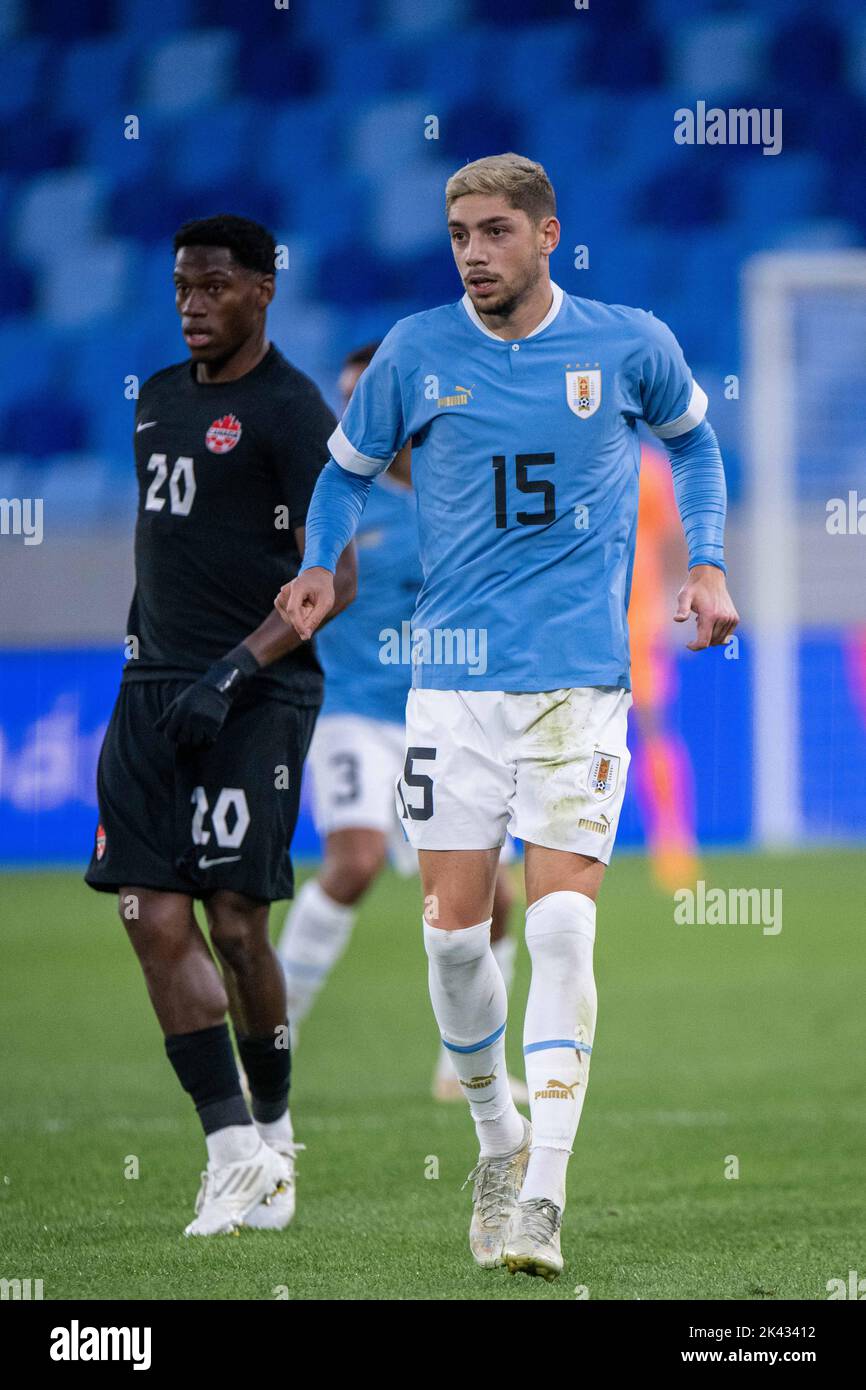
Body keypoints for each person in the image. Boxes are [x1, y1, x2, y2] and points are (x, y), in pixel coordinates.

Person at [276, 154, 738, 1281]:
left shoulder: (627, 343)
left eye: (492, 232)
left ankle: (540, 1196)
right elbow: (341, 474)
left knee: (564, 927)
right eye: (457, 235)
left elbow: (693, 440)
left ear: (545, 234)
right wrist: (315, 560)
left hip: (577, 684)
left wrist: (709, 565)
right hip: (453, 686)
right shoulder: (413, 353)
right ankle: (496, 1141)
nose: (472, 253)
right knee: (448, 935)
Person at [85, 214, 356, 1237]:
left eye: (212, 288)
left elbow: (340, 576)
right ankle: (231, 1151)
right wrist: (146, 659)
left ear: (261, 291)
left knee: (237, 923)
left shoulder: (292, 414)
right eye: (181, 289)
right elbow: (163, 552)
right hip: (151, 688)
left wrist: (236, 667)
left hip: (257, 692)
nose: (192, 306)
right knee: (150, 916)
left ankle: (277, 1135)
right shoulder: (154, 400)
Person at [276, 342, 527, 1104]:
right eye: (349, 400)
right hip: (358, 714)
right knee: (351, 866)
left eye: (371, 397)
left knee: (499, 901)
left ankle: (467, 1066)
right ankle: (269, 1034)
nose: (360, 415)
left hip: (451, 722)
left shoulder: (474, 502)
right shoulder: (341, 501)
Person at [629, 440, 701, 892]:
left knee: (654, 728)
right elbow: (674, 545)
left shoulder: (648, 469)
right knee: (654, 729)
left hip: (625, 622)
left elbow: (671, 543)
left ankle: (672, 841)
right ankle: (672, 847)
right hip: (629, 621)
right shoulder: (649, 468)